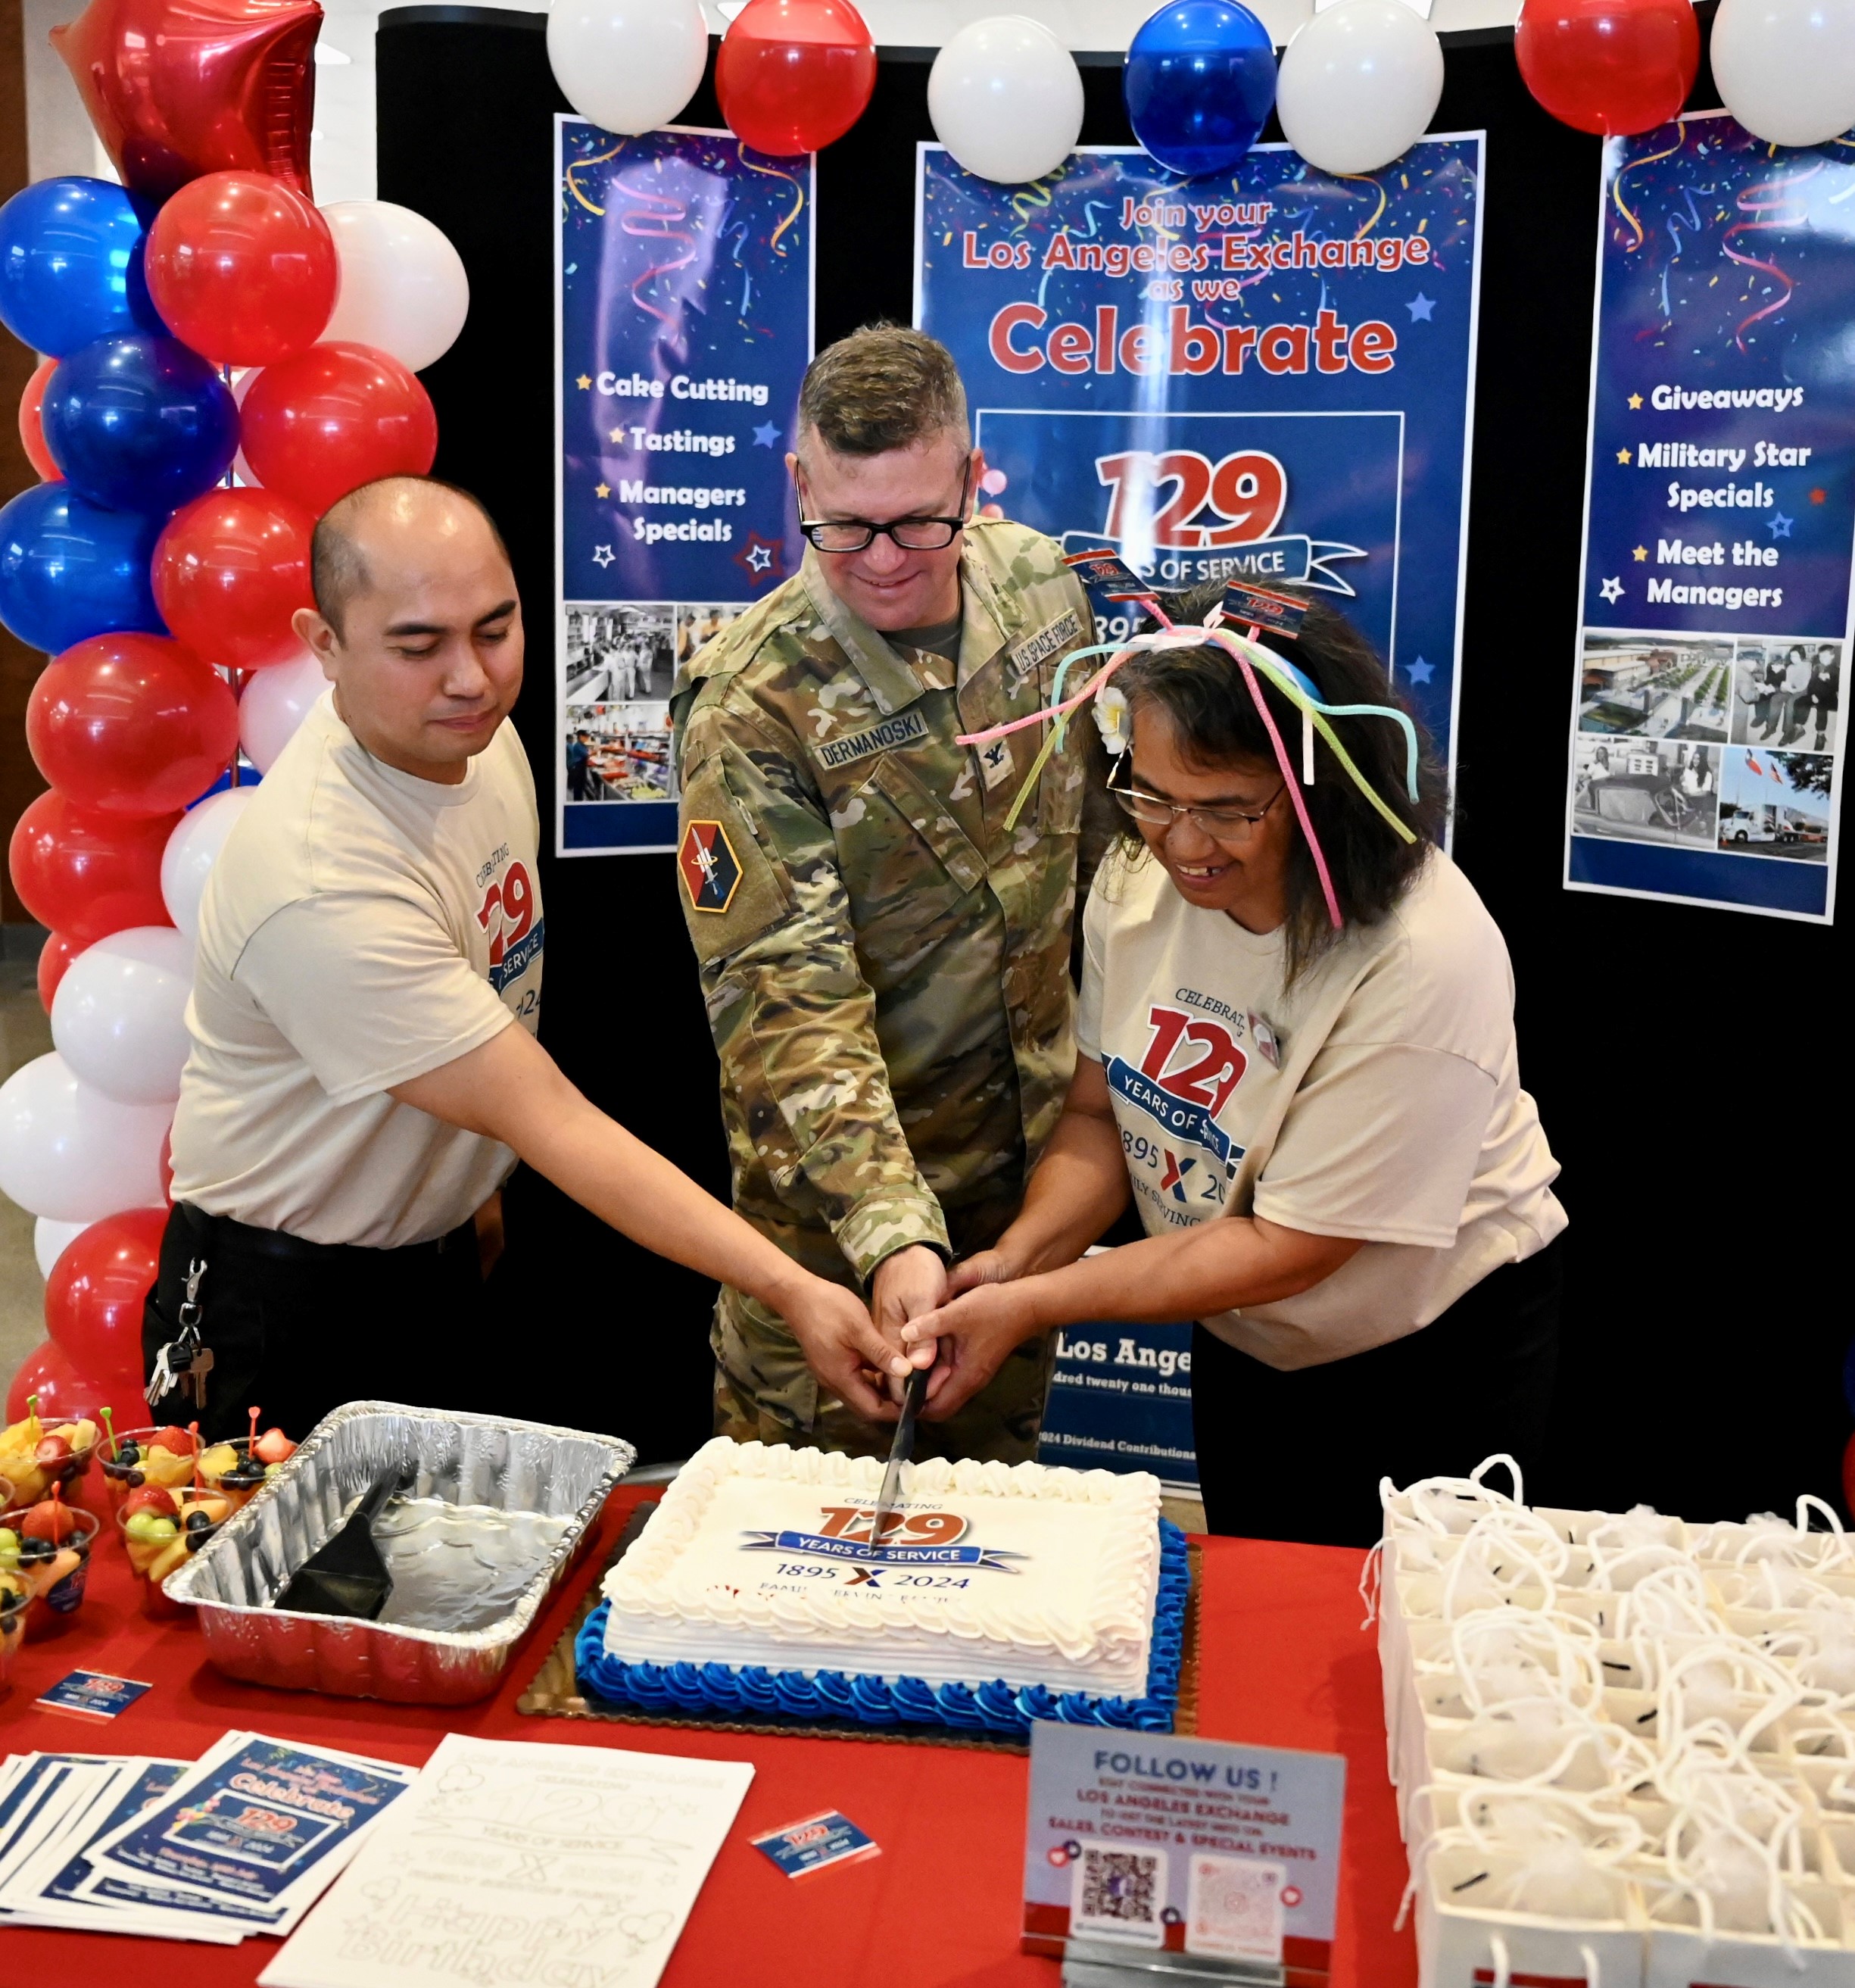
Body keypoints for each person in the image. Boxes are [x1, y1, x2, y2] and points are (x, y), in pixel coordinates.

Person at [147, 476, 918, 1443]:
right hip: (285, 1306)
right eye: (418, 646)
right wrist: (791, 1288)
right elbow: (549, 1116)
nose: (470, 678)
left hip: (433, 1261)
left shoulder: (479, 744)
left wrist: (466, 1196)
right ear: (324, 644)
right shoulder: (320, 879)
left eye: (495, 629)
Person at [903, 584, 1568, 1548]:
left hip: (1426, 1346)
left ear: (1323, 789)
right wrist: (1016, 1258)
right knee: (1261, 1588)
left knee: (1410, 1622)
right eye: (1151, 796)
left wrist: (1035, 1303)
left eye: (1224, 810)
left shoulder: (1418, 955)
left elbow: (1291, 1248)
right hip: (1243, 1321)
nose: (1179, 843)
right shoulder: (1136, 879)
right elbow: (1096, 1116)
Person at [669, 324, 1105, 1462]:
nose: (881, 559)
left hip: (1020, 1220)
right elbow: (785, 1001)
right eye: (844, 525)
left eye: (919, 520)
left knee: (992, 1535)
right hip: (836, 1256)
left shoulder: (1042, 591)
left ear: (972, 477)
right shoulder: (751, 705)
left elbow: (1102, 857)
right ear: (799, 485)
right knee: (797, 1554)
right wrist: (893, 1234)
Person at [1807, 645, 1839, 753]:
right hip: (1816, 696)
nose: (1822, 659)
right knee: (1801, 701)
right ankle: (1798, 728)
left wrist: (1827, 680)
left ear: (1832, 656)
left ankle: (1820, 735)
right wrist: (1812, 694)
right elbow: (1811, 685)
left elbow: (1837, 688)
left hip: (1830, 698)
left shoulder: (1836, 670)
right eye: (1821, 656)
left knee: (1822, 707)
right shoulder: (1817, 668)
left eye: (1825, 656)